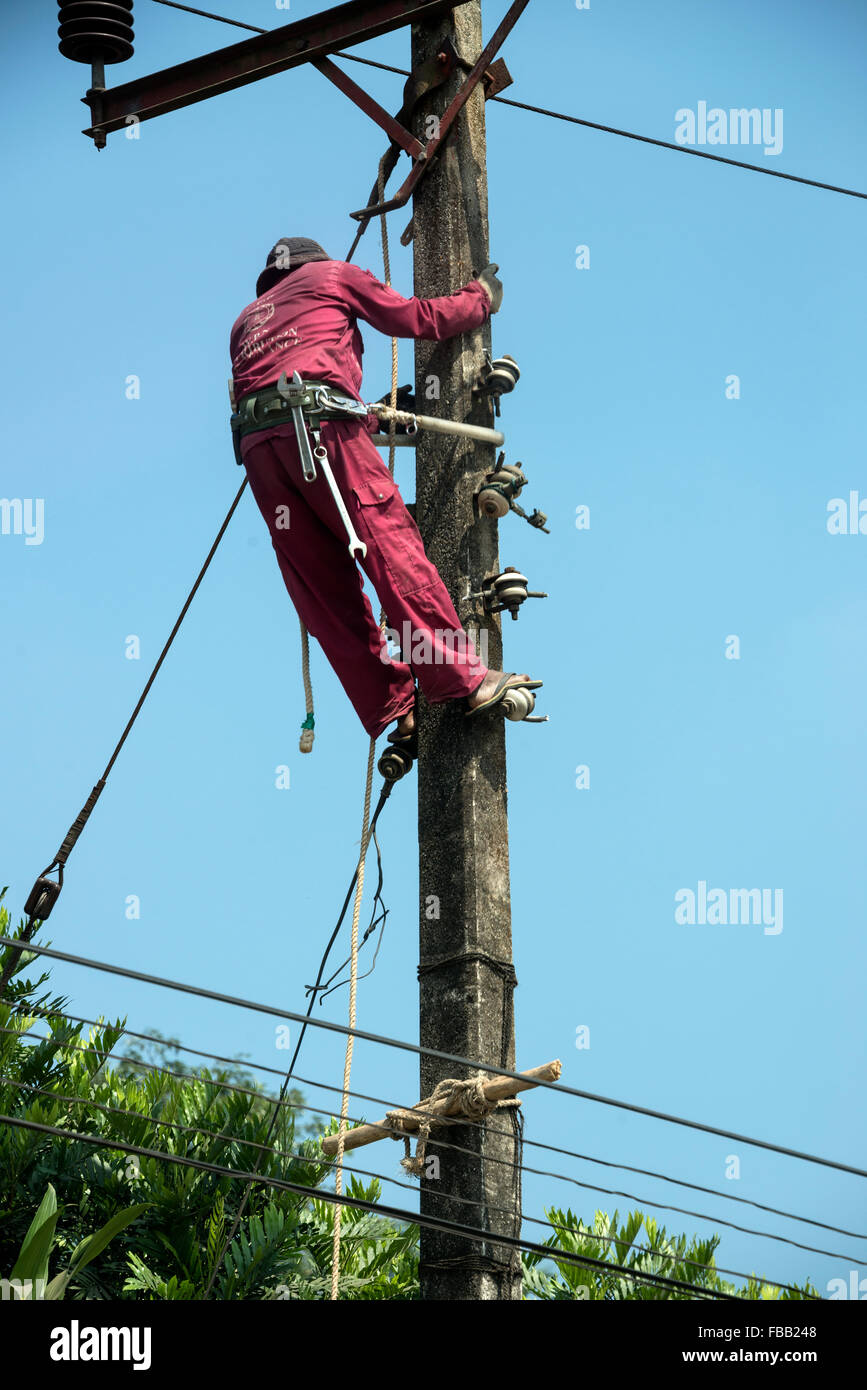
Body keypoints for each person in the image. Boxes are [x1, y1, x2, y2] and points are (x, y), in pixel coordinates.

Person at [229, 236, 540, 751]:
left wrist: (371, 415)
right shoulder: (334, 276)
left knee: (323, 590)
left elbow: (279, 385)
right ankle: (462, 679)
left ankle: (394, 707)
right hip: (323, 434)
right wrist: (479, 298)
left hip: (262, 456)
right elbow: (414, 318)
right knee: (392, 552)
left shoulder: (243, 324)